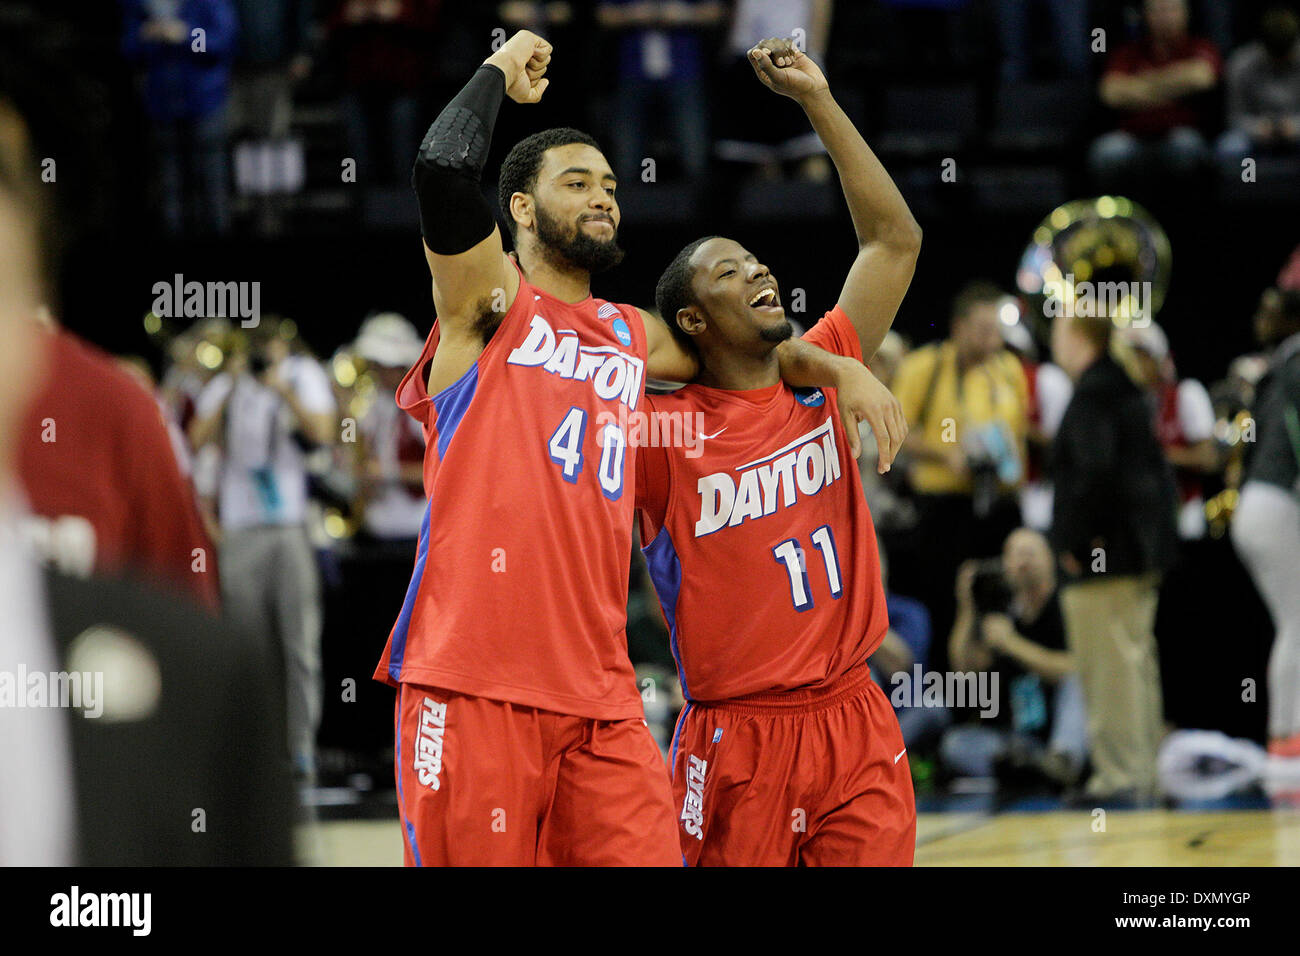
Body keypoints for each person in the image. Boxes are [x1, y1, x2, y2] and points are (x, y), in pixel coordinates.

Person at [372, 30, 885, 866]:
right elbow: (440, 167)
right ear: (523, 212)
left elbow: (750, 348)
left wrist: (836, 367)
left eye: (610, 184)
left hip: (602, 694)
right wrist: (500, 70)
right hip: (471, 675)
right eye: (576, 184)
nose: (604, 197)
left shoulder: (630, 333)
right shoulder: (488, 304)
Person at [637, 36, 920, 865]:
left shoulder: (823, 374)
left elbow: (892, 242)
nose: (759, 272)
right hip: (735, 736)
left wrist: (818, 105)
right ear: (690, 321)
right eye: (729, 273)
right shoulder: (663, 430)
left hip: (854, 714)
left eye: (756, 262)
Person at [189, 320, 338, 783]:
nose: (260, 359)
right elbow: (195, 439)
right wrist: (233, 385)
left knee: (300, 645)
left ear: (280, 349)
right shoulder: (229, 383)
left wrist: (281, 391)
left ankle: (301, 749)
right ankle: (249, 749)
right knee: (245, 645)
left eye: (266, 351)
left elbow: (324, 433)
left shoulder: (300, 376)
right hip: (241, 530)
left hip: (289, 526)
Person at [1049, 311, 1179, 805]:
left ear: (1079, 336)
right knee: (1134, 661)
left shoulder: (1095, 391)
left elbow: (1092, 471)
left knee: (1110, 669)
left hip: (1109, 556)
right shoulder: (1119, 385)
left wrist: (1081, 546)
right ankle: (1140, 776)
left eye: (1059, 330)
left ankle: (1120, 780)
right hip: (1136, 552)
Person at [888, 281, 1030, 669]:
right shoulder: (924, 367)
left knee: (997, 601)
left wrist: (1012, 472)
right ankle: (942, 696)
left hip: (995, 506)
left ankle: (995, 697)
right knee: (944, 600)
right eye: (983, 330)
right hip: (942, 511)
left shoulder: (1009, 370)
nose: (992, 339)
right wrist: (946, 454)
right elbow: (895, 430)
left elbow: (1017, 435)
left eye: (997, 331)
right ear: (959, 327)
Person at [944, 528, 1087, 789]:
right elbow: (963, 671)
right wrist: (966, 608)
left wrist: (1012, 644)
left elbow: (1075, 669)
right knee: (955, 744)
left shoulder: (1067, 604)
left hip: (1061, 732)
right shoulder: (1001, 610)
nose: (1022, 561)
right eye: (1014, 554)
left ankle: (1061, 762)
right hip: (1018, 738)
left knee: (1078, 683)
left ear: (1049, 559)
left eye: (1030, 553)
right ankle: (1028, 770)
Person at [1231, 288, 1300, 793]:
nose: (1260, 318)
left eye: (1266, 309)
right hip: (1274, 502)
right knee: (1297, 620)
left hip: (1258, 502)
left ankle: (1285, 739)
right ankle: (1285, 742)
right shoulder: (1293, 366)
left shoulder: (1278, 366)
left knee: (1293, 619)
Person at [1088, 0, 1221, 196]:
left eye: (1171, 10)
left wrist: (1139, 87)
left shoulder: (1200, 46)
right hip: (1133, 137)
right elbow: (1110, 94)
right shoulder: (1128, 51)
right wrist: (1175, 87)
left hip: (1179, 134)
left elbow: (1201, 78)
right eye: (1157, 10)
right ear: (1145, 16)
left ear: (1186, 15)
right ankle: (1120, 221)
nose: (1164, 17)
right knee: (1106, 152)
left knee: (1186, 146)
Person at [1216, 4, 1300, 168]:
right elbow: (1233, 117)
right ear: (1262, 44)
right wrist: (1257, 128)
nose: (1280, 61)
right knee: (1229, 147)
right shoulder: (1240, 63)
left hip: (1296, 130)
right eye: (1274, 55)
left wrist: (1295, 126)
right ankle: (1243, 190)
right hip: (1253, 132)